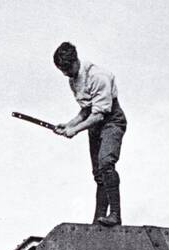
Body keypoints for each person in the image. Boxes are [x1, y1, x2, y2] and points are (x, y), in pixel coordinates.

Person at [52, 42, 127, 227]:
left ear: (76, 60)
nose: (66, 74)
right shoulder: (73, 80)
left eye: (68, 69)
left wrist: (75, 130)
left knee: (106, 162)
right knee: (98, 173)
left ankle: (115, 215)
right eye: (63, 71)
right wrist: (69, 124)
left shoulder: (97, 76)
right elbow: (86, 110)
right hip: (94, 124)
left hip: (111, 121)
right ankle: (99, 220)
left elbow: (99, 113)